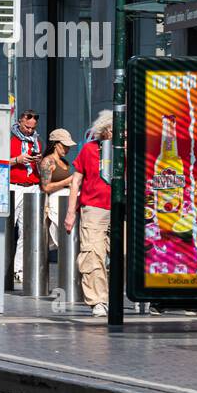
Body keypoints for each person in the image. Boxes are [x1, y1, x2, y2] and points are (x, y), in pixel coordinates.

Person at [64, 110, 113, 317]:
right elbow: (76, 180)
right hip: (94, 209)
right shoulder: (89, 150)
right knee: (93, 254)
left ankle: (145, 298)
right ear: (106, 130)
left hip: (124, 210)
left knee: (129, 255)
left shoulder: (129, 150)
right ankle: (98, 301)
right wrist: (70, 212)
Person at [9, 109, 43, 284]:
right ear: (20, 122)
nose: (30, 131)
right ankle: (5, 268)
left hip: (32, 186)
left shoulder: (36, 142)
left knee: (27, 231)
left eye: (32, 128)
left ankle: (19, 269)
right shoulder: (10, 139)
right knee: (8, 228)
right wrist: (17, 160)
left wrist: (40, 161)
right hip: (14, 187)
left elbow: (41, 168)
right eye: (27, 127)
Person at [38, 128, 76, 248]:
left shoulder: (65, 162)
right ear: (56, 144)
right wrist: (67, 181)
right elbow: (45, 187)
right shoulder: (48, 161)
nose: (67, 149)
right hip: (56, 203)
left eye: (68, 146)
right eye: (64, 145)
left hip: (67, 203)